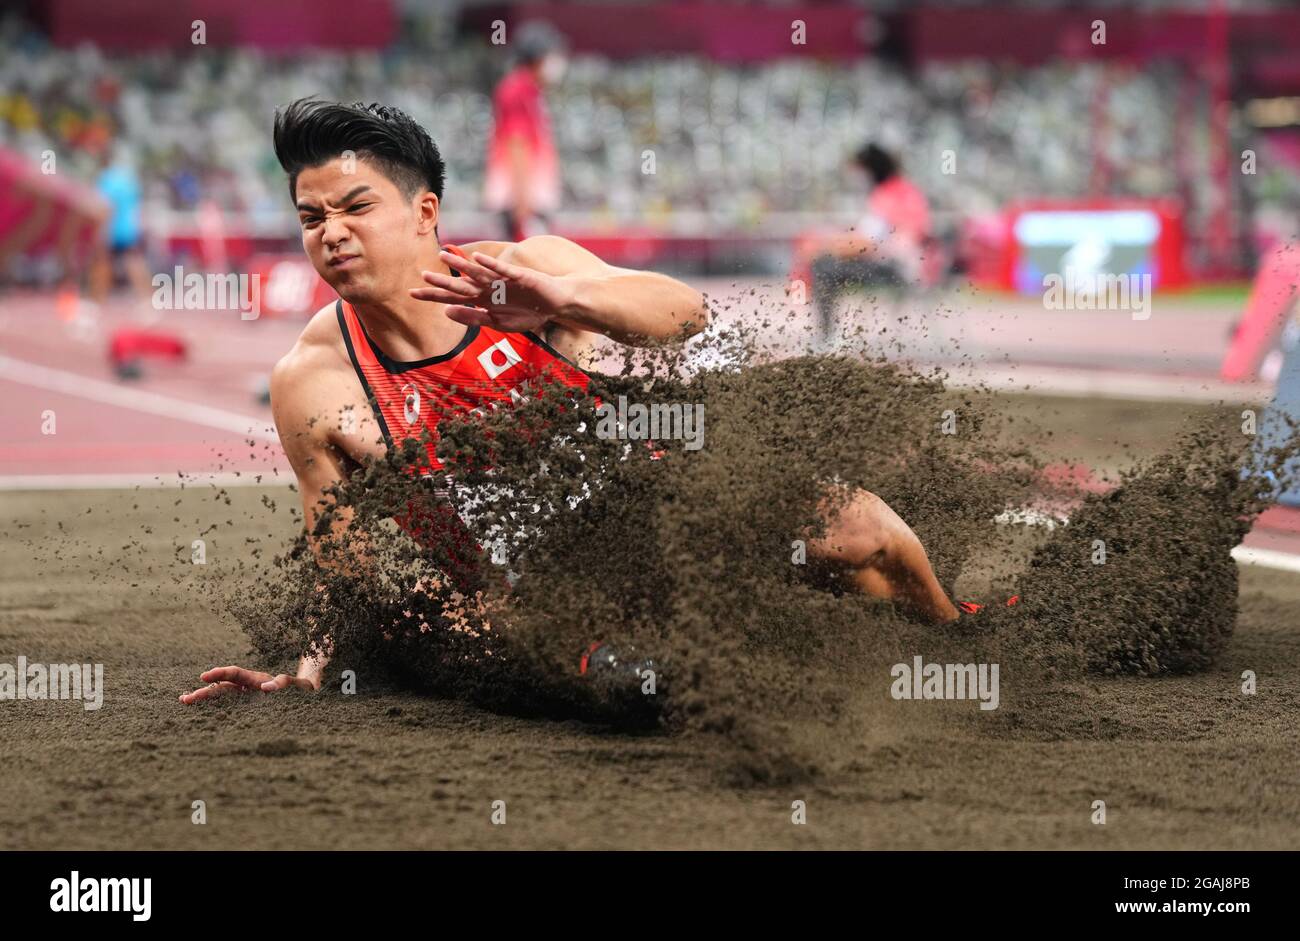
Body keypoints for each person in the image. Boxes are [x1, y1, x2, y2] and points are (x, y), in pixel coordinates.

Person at [180, 100, 992, 705]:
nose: (331, 233)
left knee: (868, 531)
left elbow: (685, 314)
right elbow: (342, 556)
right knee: (640, 677)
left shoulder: (527, 271)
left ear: (424, 212)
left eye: (356, 207)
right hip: (540, 607)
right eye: (311, 217)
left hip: (665, 520)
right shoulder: (313, 379)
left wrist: (567, 301)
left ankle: (966, 648)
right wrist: (309, 670)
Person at [810, 143, 933, 344]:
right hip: (911, 267)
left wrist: (827, 246)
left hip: (895, 269)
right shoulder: (907, 190)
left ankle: (826, 338)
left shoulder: (887, 196)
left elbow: (866, 242)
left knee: (823, 267)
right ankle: (828, 336)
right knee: (826, 262)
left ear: (870, 169)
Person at [483, 21, 567, 245]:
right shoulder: (516, 90)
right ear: (538, 58)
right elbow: (516, 143)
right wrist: (523, 207)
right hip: (522, 202)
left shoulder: (532, 92)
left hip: (529, 200)